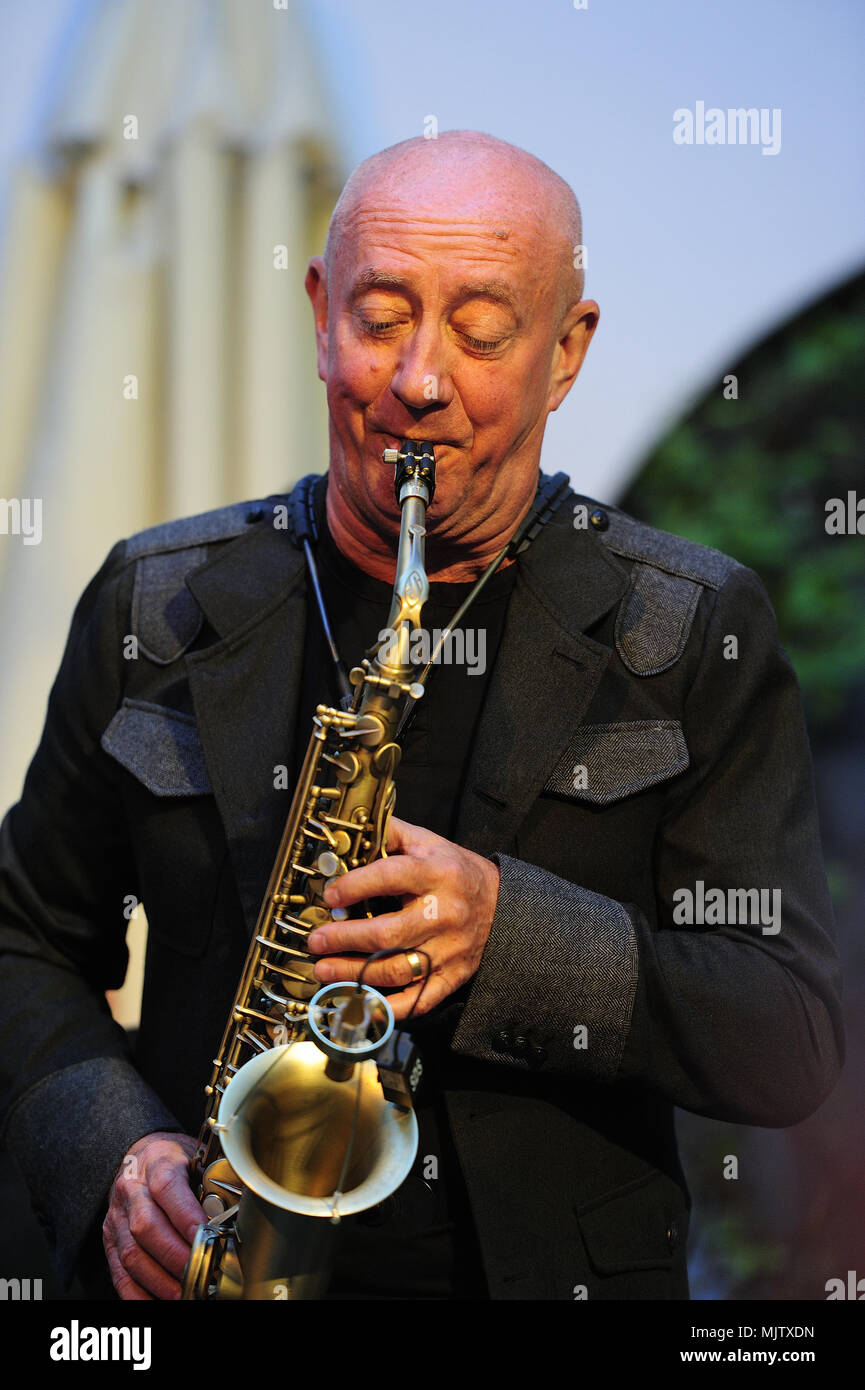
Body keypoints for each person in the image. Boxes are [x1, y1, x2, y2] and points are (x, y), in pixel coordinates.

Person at [0, 131, 843, 1302]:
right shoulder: (158, 598)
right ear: (317, 315)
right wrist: (115, 1155)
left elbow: (792, 1033)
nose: (420, 382)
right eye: (382, 317)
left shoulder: (693, 628)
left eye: (484, 332)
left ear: (566, 351)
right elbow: (23, 939)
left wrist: (512, 939)